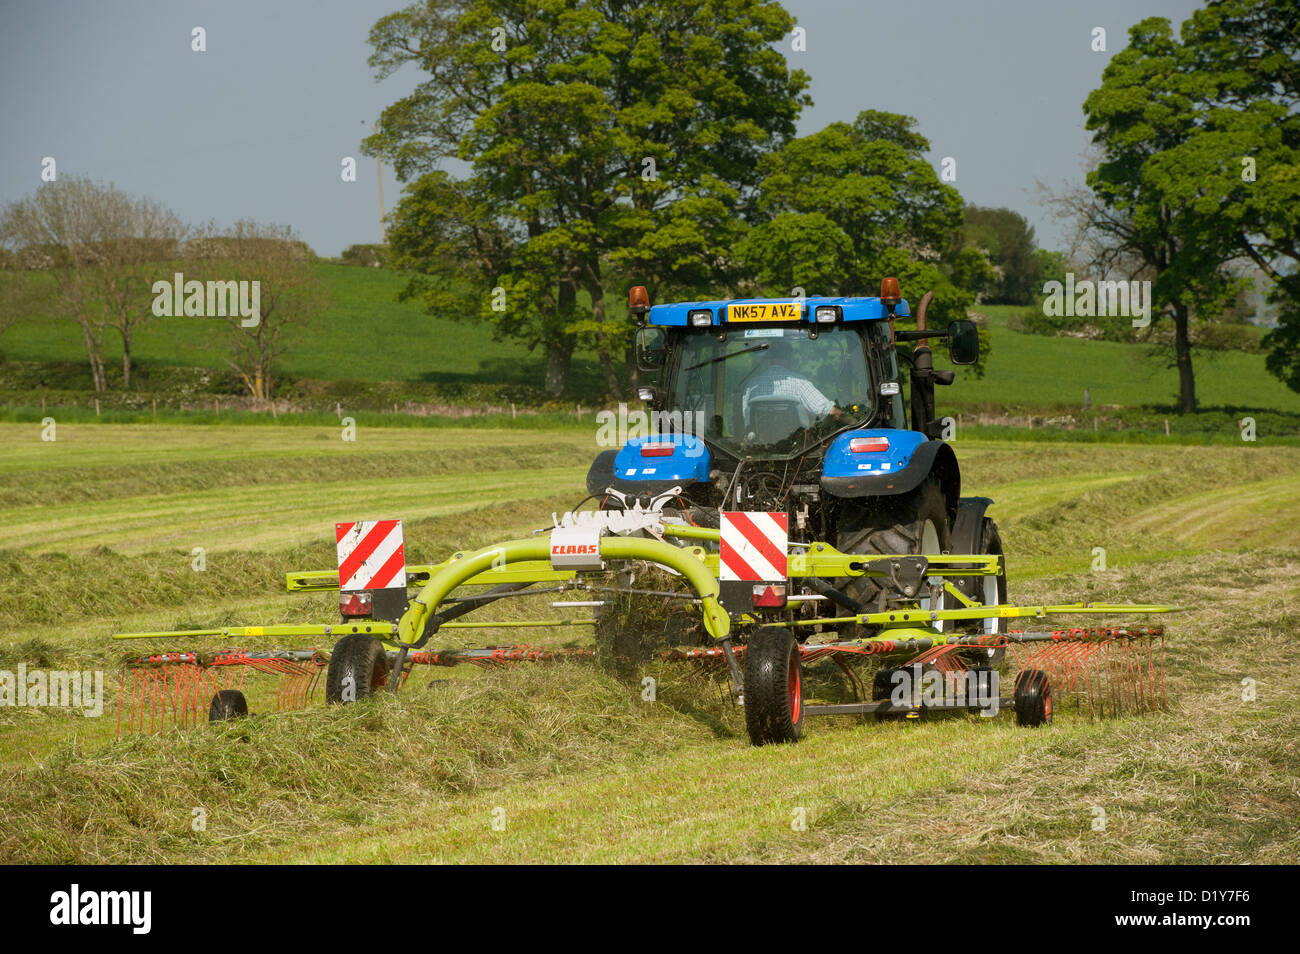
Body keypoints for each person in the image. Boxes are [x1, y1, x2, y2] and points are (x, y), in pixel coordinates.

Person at [741, 337, 848, 430]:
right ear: (789, 356)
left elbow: (746, 419)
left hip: (757, 447)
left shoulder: (752, 385)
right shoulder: (799, 383)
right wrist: (855, 423)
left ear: (768, 358)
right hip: (796, 446)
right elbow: (829, 411)